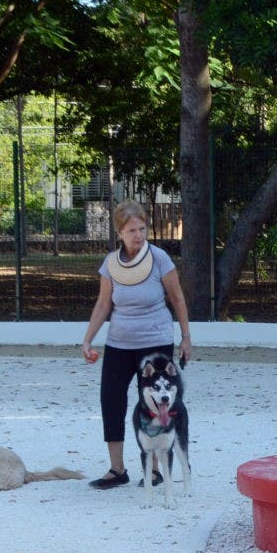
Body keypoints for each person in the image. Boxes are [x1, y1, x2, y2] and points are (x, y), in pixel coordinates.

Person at [81, 200, 192, 489]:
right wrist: (88, 339)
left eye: (142, 229)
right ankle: (117, 470)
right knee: (111, 399)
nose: (138, 235)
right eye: (132, 230)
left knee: (154, 404)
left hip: (155, 342)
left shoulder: (159, 258)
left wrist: (186, 337)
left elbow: (177, 297)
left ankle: (154, 470)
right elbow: (103, 304)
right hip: (119, 343)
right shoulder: (111, 264)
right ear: (120, 232)